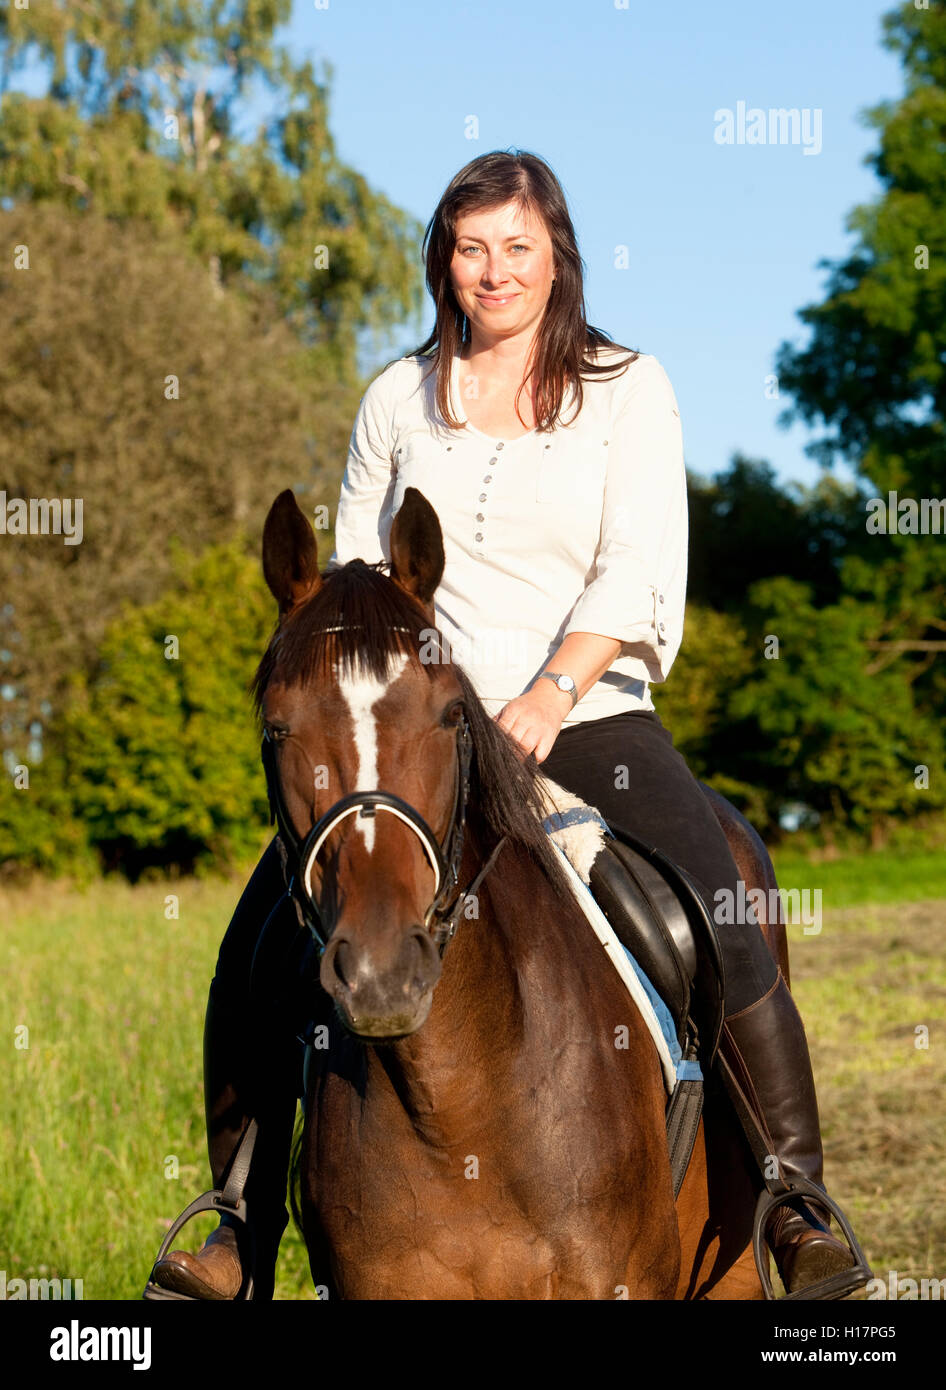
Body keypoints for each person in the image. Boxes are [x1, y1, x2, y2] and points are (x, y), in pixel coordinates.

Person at [152, 149, 863, 1300]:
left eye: (515, 248)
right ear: (446, 260)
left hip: (580, 715)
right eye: (470, 248)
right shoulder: (395, 398)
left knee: (715, 892)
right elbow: (353, 579)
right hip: (420, 728)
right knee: (262, 934)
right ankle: (235, 1221)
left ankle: (792, 1198)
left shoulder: (628, 386)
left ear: (555, 257)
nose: (493, 272)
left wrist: (549, 691)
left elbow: (636, 567)